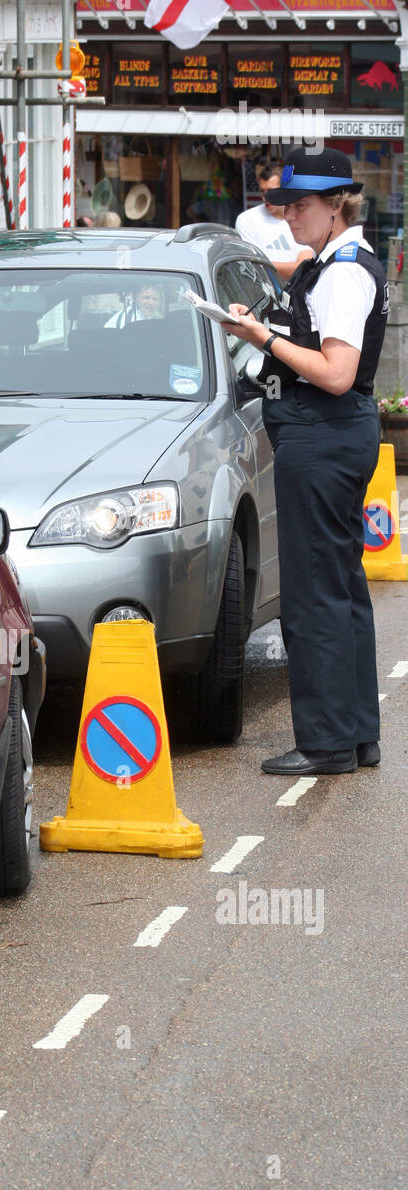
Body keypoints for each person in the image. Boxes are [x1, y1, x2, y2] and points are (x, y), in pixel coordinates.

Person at [223, 147, 388, 776]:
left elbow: (337, 374)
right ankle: (356, 734)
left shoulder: (344, 271)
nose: (288, 215)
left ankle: (326, 744)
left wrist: (263, 338)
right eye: (283, 204)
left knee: (314, 595)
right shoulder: (332, 262)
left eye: (302, 205)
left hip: (324, 433)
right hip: (328, 435)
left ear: (337, 204)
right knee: (340, 587)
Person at [235, 164, 312, 279]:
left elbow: (304, 267)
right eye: (262, 191)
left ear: (285, 190)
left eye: (271, 191)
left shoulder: (302, 218)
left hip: (296, 293)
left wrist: (264, 265)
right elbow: (252, 267)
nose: (265, 197)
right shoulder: (247, 220)